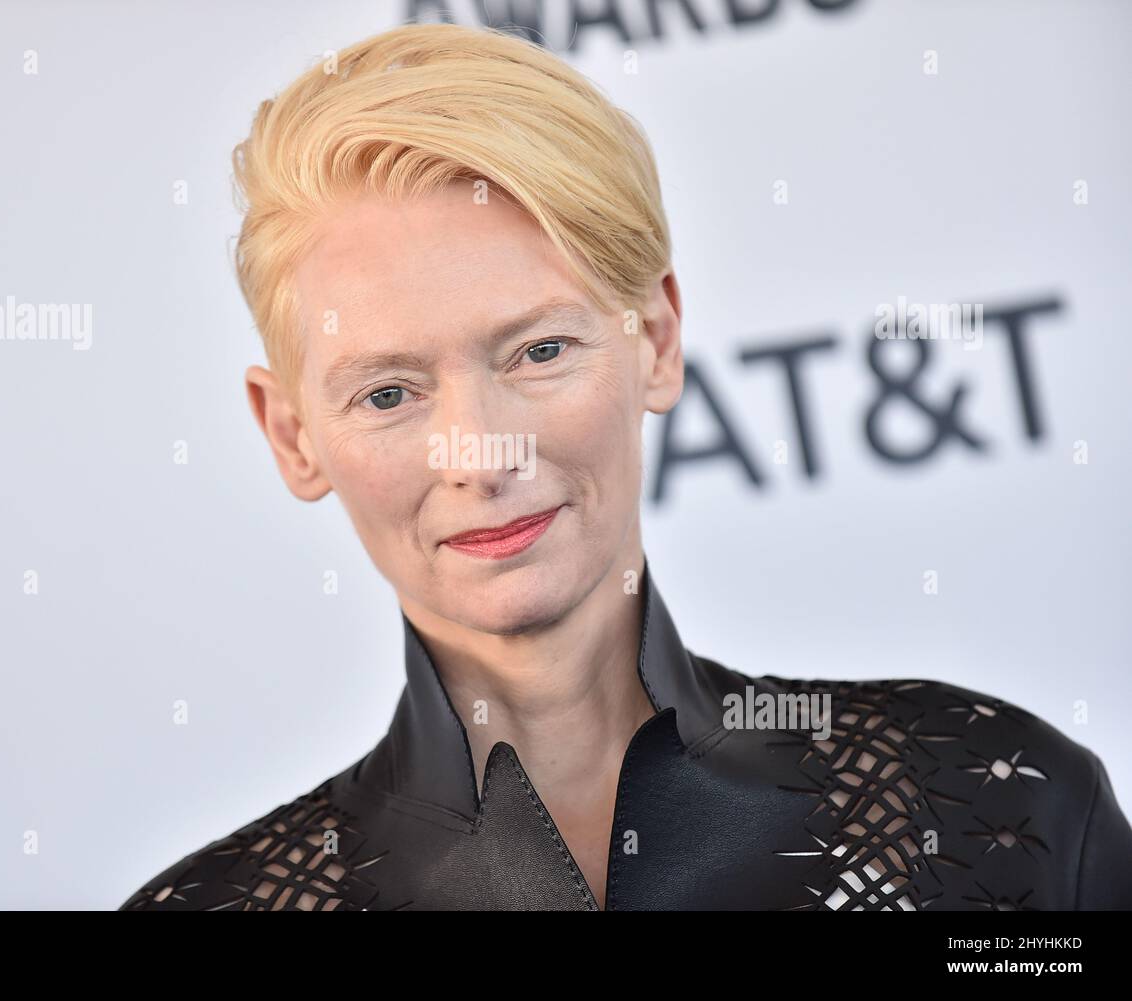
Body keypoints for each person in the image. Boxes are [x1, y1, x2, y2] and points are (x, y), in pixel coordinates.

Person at [120, 22, 1132, 911]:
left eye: (538, 351)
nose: (481, 454)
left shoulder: (993, 806)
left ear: (654, 337)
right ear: (293, 434)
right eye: (389, 392)